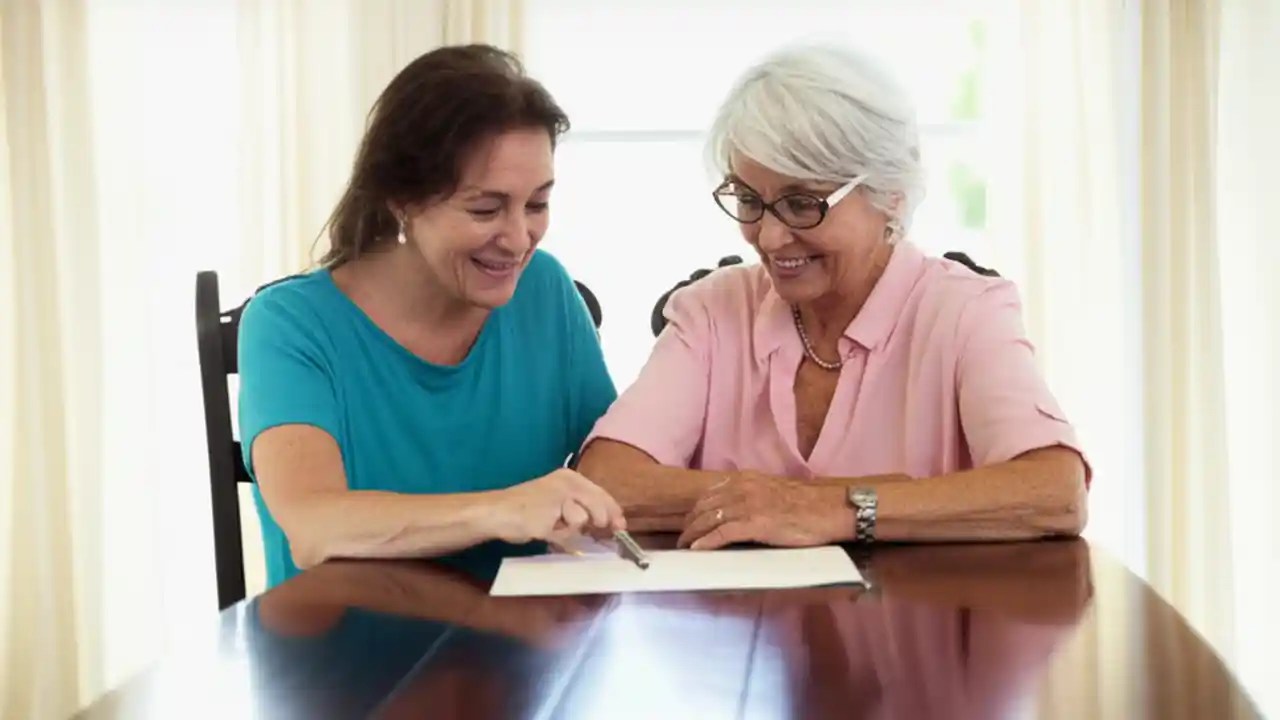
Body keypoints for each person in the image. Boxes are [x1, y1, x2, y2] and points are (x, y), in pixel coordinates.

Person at [575, 44, 1089, 550]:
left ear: (890, 193)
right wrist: (853, 500)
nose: (770, 238)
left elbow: (1054, 492)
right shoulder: (712, 310)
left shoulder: (964, 312)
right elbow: (607, 482)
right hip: (731, 628)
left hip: (917, 626)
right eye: (750, 201)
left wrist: (829, 510)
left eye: (803, 204)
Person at [237, 44, 625, 588]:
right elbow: (313, 525)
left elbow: (617, 472)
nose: (519, 239)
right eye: (485, 209)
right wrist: (499, 511)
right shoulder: (290, 325)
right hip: (349, 659)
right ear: (402, 200)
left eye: (537, 204)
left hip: (521, 653)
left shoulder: (547, 291)